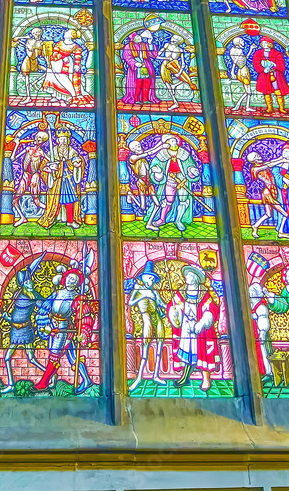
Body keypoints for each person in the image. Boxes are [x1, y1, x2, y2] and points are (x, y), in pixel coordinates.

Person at [35, 266, 94, 394]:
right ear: (64, 278)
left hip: (64, 329)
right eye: (69, 278)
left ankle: (44, 382)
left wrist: (83, 332)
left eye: (74, 280)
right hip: (53, 326)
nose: (70, 281)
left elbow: (84, 316)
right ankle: (82, 380)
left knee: (55, 355)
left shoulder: (78, 298)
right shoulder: (57, 293)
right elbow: (46, 307)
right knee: (72, 357)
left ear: (78, 283)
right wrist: (45, 323)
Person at [167, 263, 220, 391]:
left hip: (199, 330)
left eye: (190, 275)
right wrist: (175, 312)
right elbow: (174, 305)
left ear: (196, 278)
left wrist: (202, 323)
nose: (186, 277)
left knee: (202, 354)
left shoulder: (203, 293)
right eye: (186, 275)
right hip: (186, 326)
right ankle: (185, 377)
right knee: (188, 352)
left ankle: (206, 379)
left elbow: (211, 309)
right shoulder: (182, 291)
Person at [0, 256, 45, 392]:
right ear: (23, 284)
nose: (30, 284)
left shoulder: (34, 296)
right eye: (27, 282)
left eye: (30, 281)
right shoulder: (18, 296)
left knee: (31, 357)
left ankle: (50, 374)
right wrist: (7, 317)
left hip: (25, 329)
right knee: (7, 357)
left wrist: (8, 318)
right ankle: (11, 385)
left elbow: (43, 306)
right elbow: (16, 316)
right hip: (15, 330)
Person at [147, 134, 201, 231]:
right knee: (168, 200)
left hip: (182, 179)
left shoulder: (184, 153)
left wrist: (192, 171)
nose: (174, 142)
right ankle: (162, 219)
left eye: (175, 140)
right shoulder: (161, 154)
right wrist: (158, 173)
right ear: (167, 143)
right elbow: (154, 166)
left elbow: (190, 165)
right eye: (171, 141)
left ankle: (178, 220)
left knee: (183, 200)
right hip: (169, 178)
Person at [128, 261, 167, 391]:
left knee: (160, 347)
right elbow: (130, 303)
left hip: (157, 318)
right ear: (144, 277)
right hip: (147, 319)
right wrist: (143, 296)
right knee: (146, 349)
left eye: (152, 278)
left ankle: (156, 375)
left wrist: (163, 302)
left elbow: (162, 304)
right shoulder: (139, 289)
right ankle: (139, 378)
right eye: (149, 277)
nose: (151, 280)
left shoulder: (155, 291)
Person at [38, 130, 85, 229]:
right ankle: (51, 219)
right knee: (55, 200)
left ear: (67, 140)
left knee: (70, 201)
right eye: (61, 139)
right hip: (56, 180)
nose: (63, 141)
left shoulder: (72, 151)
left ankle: (70, 221)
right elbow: (44, 166)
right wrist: (50, 168)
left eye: (65, 139)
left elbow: (78, 161)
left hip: (69, 181)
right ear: (58, 140)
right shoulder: (53, 151)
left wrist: (77, 165)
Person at [43, 28, 90, 104]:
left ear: (71, 36)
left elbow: (78, 56)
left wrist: (77, 65)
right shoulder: (59, 43)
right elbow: (54, 53)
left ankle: (72, 96)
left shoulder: (75, 46)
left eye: (67, 33)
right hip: (56, 62)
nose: (65, 33)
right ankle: (57, 96)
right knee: (55, 79)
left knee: (66, 79)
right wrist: (62, 56)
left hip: (67, 64)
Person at [121, 17, 161, 104]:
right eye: (138, 37)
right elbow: (127, 57)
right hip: (135, 69)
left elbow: (153, 54)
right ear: (133, 39)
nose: (140, 38)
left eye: (139, 37)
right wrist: (135, 63)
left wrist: (150, 43)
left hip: (146, 67)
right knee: (137, 84)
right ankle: (135, 99)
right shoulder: (128, 47)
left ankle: (145, 99)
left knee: (147, 82)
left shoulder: (144, 45)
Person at [12, 130, 47, 224]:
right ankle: (22, 217)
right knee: (15, 200)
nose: (38, 140)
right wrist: (16, 144)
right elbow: (13, 158)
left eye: (41, 139)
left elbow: (51, 161)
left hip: (34, 176)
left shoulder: (41, 153)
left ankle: (51, 209)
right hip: (25, 175)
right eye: (37, 137)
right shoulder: (28, 148)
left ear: (42, 142)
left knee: (37, 201)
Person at [252, 37, 289, 112]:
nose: (264, 45)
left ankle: (282, 108)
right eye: (263, 43)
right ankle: (269, 108)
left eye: (266, 43)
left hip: (276, 75)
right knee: (266, 91)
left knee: (278, 91)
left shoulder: (277, 53)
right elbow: (256, 63)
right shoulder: (258, 53)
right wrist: (263, 69)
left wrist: (274, 66)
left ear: (270, 44)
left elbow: (281, 65)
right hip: (264, 75)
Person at [158, 34, 198, 110]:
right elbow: (157, 55)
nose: (172, 40)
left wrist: (180, 72)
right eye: (172, 38)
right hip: (165, 64)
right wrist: (165, 57)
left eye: (175, 39)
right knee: (167, 82)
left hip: (175, 65)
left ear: (178, 42)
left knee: (186, 79)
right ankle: (175, 102)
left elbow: (183, 64)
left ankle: (175, 85)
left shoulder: (180, 50)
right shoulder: (167, 45)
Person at [13, 27, 45, 102]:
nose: (35, 34)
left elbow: (42, 55)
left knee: (48, 71)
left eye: (37, 32)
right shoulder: (29, 41)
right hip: (28, 61)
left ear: (40, 33)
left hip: (35, 61)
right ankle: (28, 97)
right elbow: (30, 54)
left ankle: (35, 82)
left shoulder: (42, 43)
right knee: (26, 79)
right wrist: (31, 49)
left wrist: (40, 49)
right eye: (33, 33)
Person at [227, 36, 253, 110]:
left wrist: (251, 49)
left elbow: (244, 59)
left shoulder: (232, 50)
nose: (243, 42)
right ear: (238, 43)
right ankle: (243, 106)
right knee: (248, 92)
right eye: (241, 41)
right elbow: (235, 62)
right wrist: (232, 72)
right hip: (244, 71)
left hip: (240, 71)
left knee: (248, 92)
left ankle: (240, 105)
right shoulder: (239, 51)